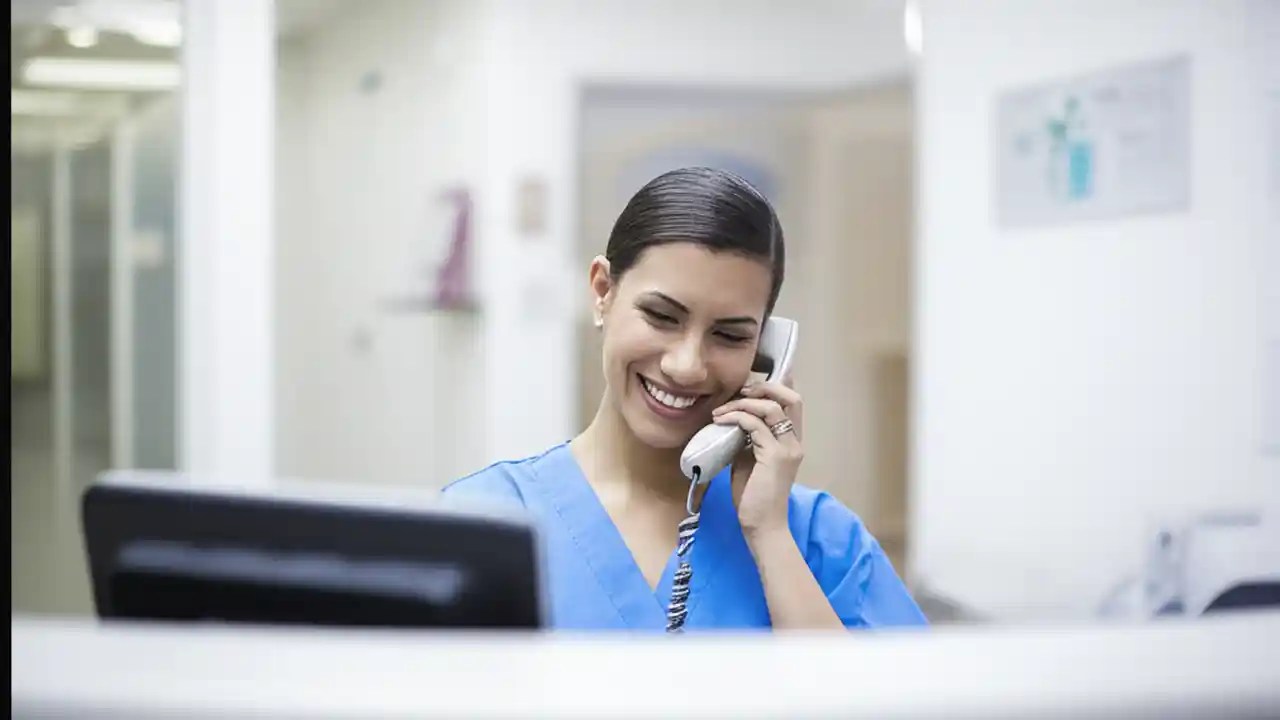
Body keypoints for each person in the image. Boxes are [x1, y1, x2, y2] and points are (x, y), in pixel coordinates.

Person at [442, 167, 927, 631]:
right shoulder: (480, 521)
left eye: (729, 335)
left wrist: (769, 535)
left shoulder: (822, 540)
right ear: (602, 291)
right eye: (661, 316)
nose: (687, 365)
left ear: (765, 351)